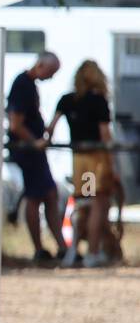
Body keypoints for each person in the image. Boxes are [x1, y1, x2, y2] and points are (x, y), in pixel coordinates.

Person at [47, 59, 118, 267]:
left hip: (78, 159)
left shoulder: (67, 100)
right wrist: (113, 164)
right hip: (96, 159)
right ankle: (92, 251)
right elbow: (105, 135)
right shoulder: (98, 101)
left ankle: (73, 249)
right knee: (97, 205)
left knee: (82, 205)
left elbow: (50, 128)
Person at [6, 51, 67, 262]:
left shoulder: (28, 84)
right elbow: (15, 123)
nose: (51, 77)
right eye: (51, 72)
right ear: (40, 65)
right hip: (28, 150)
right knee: (36, 196)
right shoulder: (23, 84)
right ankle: (41, 249)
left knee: (49, 194)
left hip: (33, 150)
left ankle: (60, 246)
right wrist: (35, 142)